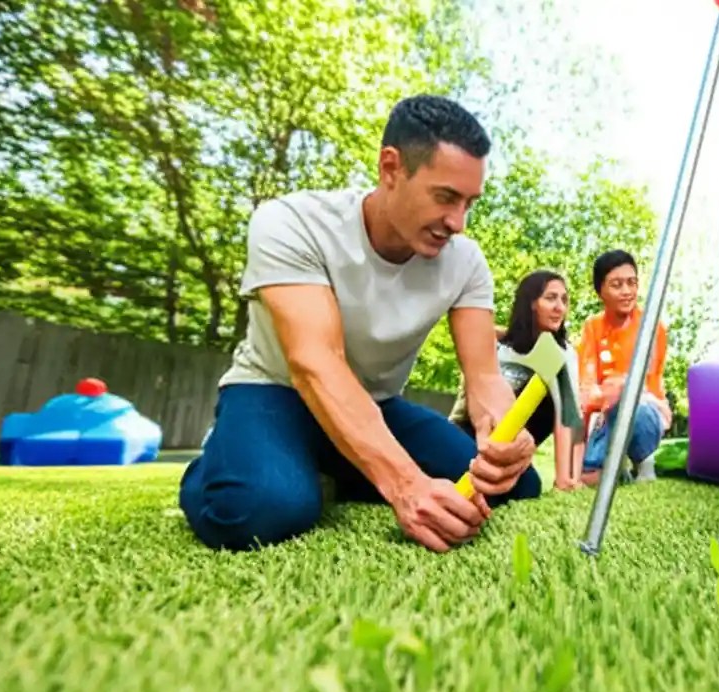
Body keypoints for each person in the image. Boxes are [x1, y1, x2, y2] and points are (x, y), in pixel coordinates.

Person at [178, 95, 539, 554]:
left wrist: (502, 434)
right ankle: (220, 460)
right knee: (259, 509)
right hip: (274, 390)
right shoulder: (292, 223)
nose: (458, 223)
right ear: (391, 168)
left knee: (516, 485)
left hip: (377, 404)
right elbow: (315, 364)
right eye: (445, 197)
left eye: (469, 203)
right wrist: (404, 483)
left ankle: (337, 464)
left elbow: (485, 377)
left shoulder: (466, 263)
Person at [449, 270, 586, 491]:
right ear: (531, 303)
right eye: (550, 298)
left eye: (564, 300)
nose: (560, 307)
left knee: (529, 486)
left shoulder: (563, 353)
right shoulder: (498, 346)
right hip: (470, 434)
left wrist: (564, 479)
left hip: (515, 447)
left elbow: (567, 416)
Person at [575, 250, 671, 485]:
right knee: (587, 477)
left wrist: (619, 386)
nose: (627, 291)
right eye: (617, 285)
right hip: (607, 414)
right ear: (600, 292)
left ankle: (644, 463)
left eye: (632, 283)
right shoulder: (592, 327)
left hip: (645, 410)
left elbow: (647, 385)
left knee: (628, 396)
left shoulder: (652, 326)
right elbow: (587, 388)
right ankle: (613, 468)